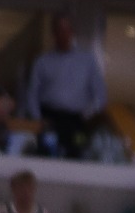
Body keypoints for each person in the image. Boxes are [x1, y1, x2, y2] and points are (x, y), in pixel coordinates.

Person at [24, 12, 106, 159]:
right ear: (53, 33)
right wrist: (37, 118)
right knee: (45, 155)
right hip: (49, 118)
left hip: (77, 121)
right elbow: (32, 92)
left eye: (65, 29)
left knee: (77, 154)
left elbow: (100, 95)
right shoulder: (43, 61)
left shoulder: (87, 61)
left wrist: (87, 113)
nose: (62, 34)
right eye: (58, 30)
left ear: (72, 32)